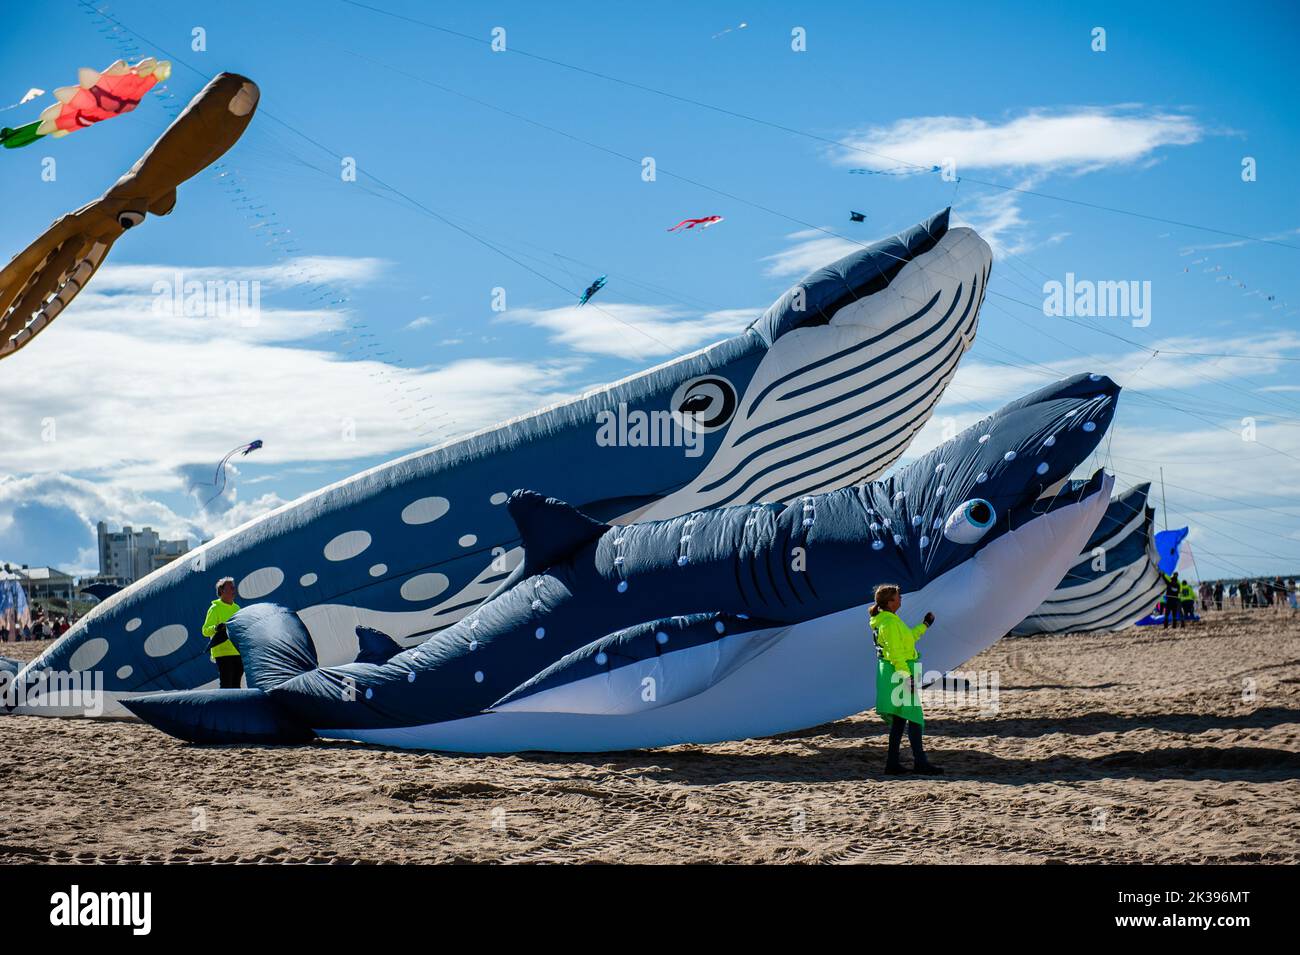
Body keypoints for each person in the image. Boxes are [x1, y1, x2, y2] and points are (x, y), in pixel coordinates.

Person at [868, 583, 941, 775]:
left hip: (893, 671)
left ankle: (892, 763)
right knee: (915, 717)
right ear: (890, 601)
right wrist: (907, 677)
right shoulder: (890, 623)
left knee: (901, 718)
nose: (901, 599)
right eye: (899, 596)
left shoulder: (887, 620)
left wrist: (925, 625)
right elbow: (895, 653)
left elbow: (908, 638)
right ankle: (920, 762)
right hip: (898, 672)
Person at [201, 577, 242, 689]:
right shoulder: (214, 608)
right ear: (222, 590)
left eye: (234, 587)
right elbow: (205, 630)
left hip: (236, 651)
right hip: (222, 653)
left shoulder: (237, 607)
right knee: (226, 685)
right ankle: (226, 706)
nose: (234, 590)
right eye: (231, 587)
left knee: (236, 685)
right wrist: (216, 627)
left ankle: (236, 706)